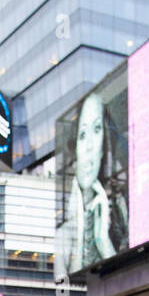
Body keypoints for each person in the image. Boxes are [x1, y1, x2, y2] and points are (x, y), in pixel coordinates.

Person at [57, 93, 129, 280]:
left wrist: (102, 240)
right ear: (76, 148)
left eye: (97, 129)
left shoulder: (121, 209)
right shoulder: (63, 233)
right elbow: (63, 293)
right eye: (82, 134)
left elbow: (130, 280)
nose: (89, 145)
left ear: (104, 141)